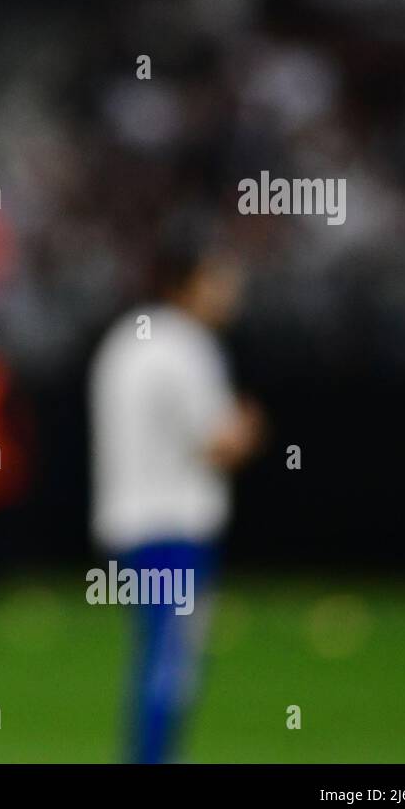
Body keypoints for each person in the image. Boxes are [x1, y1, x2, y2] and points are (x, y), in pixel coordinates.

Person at [88, 236, 264, 763]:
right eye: (217, 278)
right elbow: (220, 443)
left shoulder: (125, 338)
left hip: (127, 523)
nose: (229, 291)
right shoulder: (187, 344)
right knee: (171, 661)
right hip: (174, 527)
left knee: (157, 655)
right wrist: (251, 426)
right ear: (185, 283)